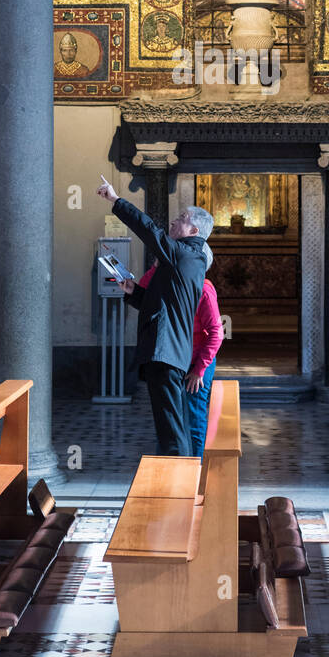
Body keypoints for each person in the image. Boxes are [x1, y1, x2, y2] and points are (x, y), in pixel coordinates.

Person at [96, 177, 214, 455]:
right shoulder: (182, 260)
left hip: (167, 354)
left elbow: (150, 231)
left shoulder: (187, 255)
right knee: (169, 427)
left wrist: (115, 200)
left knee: (172, 432)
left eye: (181, 219)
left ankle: (179, 490)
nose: (173, 222)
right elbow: (163, 306)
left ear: (194, 230)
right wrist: (133, 291)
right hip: (166, 354)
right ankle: (176, 485)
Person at [136, 243, 225, 458]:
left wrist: (199, 370)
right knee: (169, 418)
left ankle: (195, 469)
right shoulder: (173, 284)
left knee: (193, 417)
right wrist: (157, 265)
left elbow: (216, 333)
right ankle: (172, 468)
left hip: (197, 363)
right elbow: (144, 293)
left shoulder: (203, 289)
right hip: (175, 359)